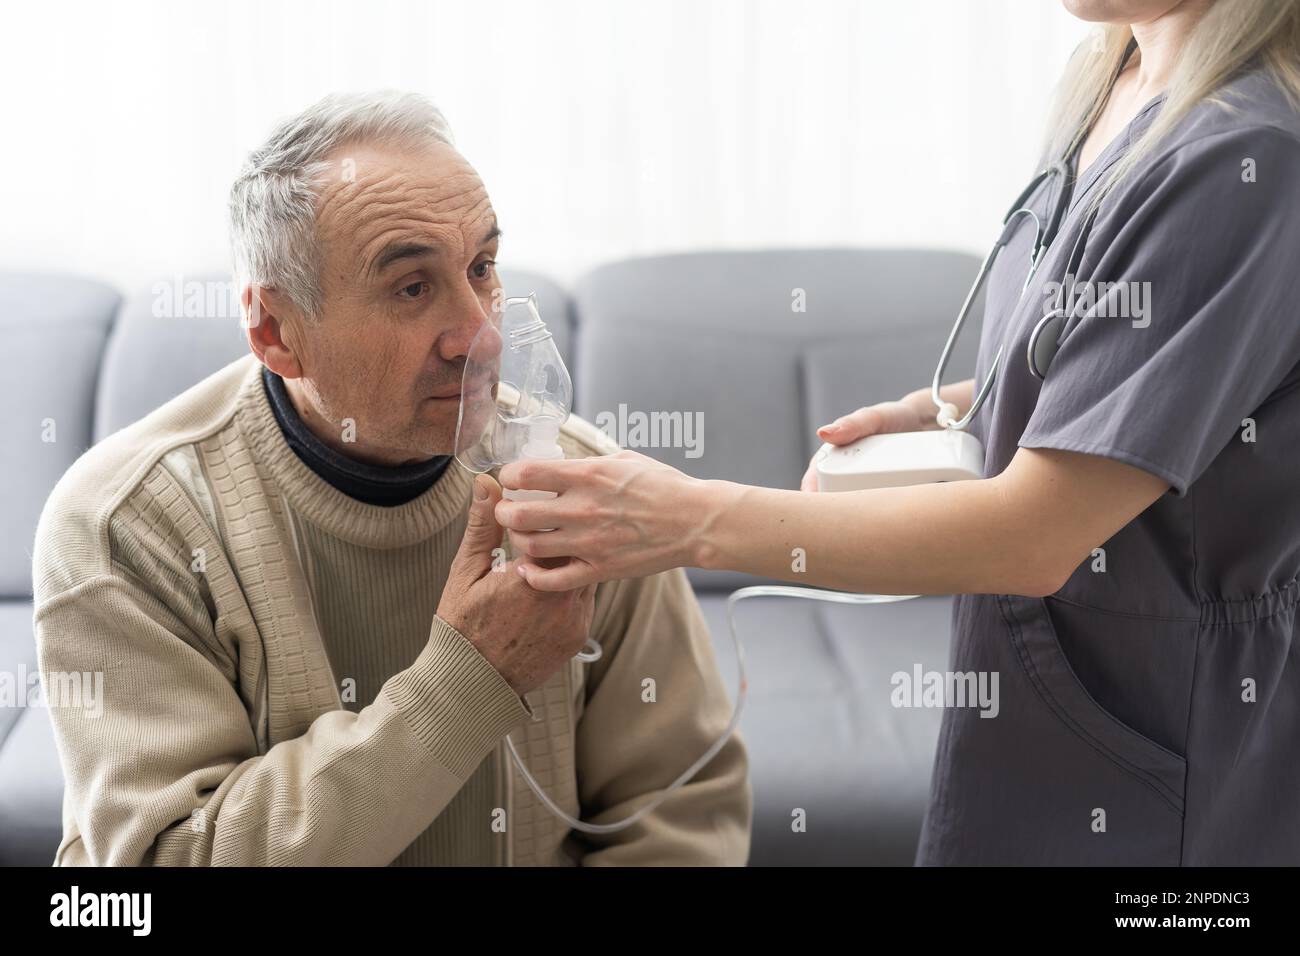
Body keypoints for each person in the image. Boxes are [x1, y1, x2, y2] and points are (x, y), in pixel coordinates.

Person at [493, 0, 1300, 864]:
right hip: (1033, 702)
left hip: (1164, 734)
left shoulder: (1239, 157)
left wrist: (686, 520)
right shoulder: (1112, 84)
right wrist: (958, 406)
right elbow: (1127, 355)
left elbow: (1036, 535)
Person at [32, 92, 751, 866]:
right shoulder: (126, 525)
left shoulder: (579, 488)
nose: (480, 333)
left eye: (482, 268)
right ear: (278, 332)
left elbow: (680, 814)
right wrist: (466, 683)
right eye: (412, 288)